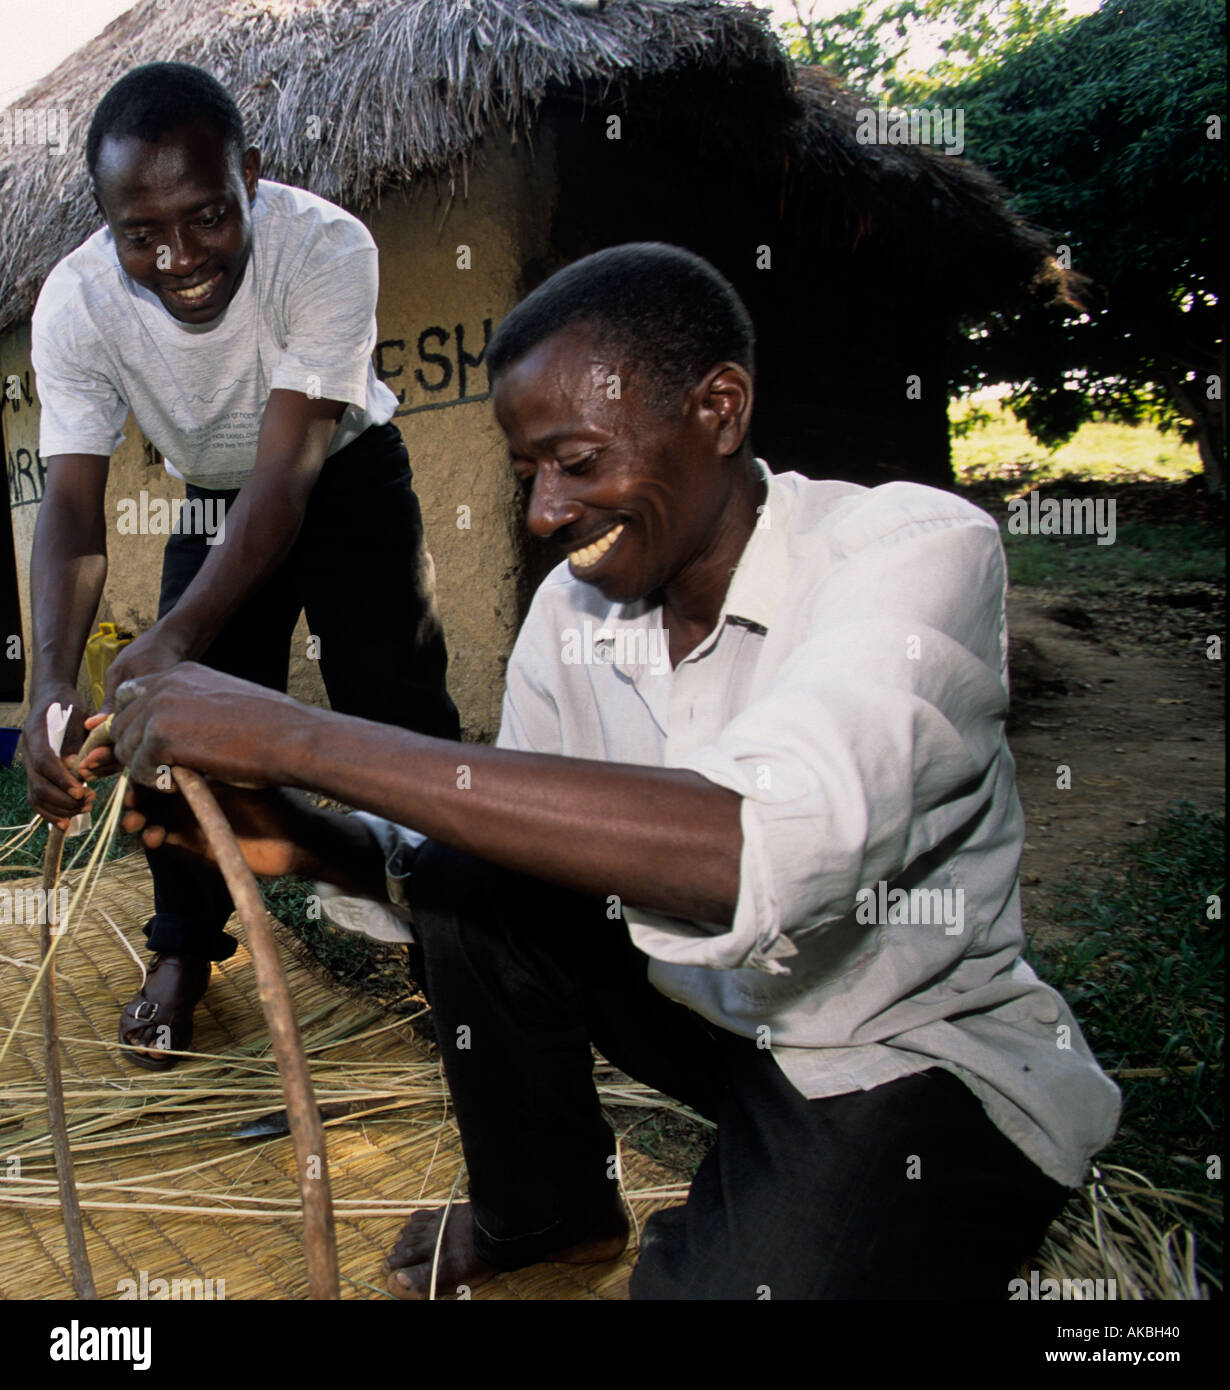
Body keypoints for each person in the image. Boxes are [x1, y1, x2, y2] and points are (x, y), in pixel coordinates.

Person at [99, 243, 1121, 1299]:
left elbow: (752, 850)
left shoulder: (912, 550)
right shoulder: (573, 613)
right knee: (464, 866)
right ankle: (547, 1210)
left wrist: (296, 737)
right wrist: (305, 840)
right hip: (716, 1021)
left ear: (720, 410)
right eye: (528, 473)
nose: (544, 514)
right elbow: (493, 863)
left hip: (903, 1054)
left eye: (579, 462)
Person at [22, 62, 459, 1070]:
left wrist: (173, 640)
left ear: (250, 176)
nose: (178, 255)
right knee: (172, 744)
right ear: (104, 222)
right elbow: (76, 509)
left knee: (398, 710)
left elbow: (287, 478)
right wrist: (49, 677)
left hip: (339, 471)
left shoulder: (327, 246)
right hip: (214, 494)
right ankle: (181, 953)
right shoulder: (77, 305)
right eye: (143, 233)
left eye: (208, 215)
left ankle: (454, 953)